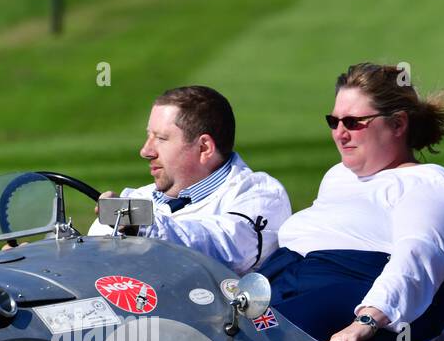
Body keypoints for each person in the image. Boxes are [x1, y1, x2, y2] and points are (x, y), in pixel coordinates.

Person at [258, 63, 444, 341]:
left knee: (249, 339)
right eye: (333, 122)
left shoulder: (429, 184)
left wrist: (367, 319)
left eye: (353, 122)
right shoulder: (338, 177)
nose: (340, 134)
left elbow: (417, 257)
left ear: (398, 124)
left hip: (349, 294)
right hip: (282, 285)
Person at [87, 85, 292, 275]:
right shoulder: (139, 199)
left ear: (204, 148)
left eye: (161, 138)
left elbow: (227, 247)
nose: (146, 151)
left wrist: (137, 225)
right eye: (149, 136)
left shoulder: (259, 193)